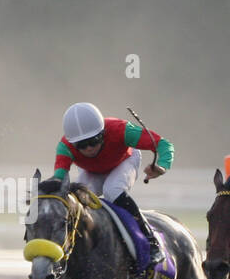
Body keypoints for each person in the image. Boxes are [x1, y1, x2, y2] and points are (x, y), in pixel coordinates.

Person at [52, 102, 171, 265]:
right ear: (72, 144)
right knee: (76, 197)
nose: (88, 149)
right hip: (93, 171)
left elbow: (163, 144)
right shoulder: (64, 147)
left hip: (125, 160)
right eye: (81, 145)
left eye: (93, 141)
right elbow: (59, 178)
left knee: (112, 190)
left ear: (103, 133)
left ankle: (151, 242)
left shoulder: (120, 130)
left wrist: (162, 166)